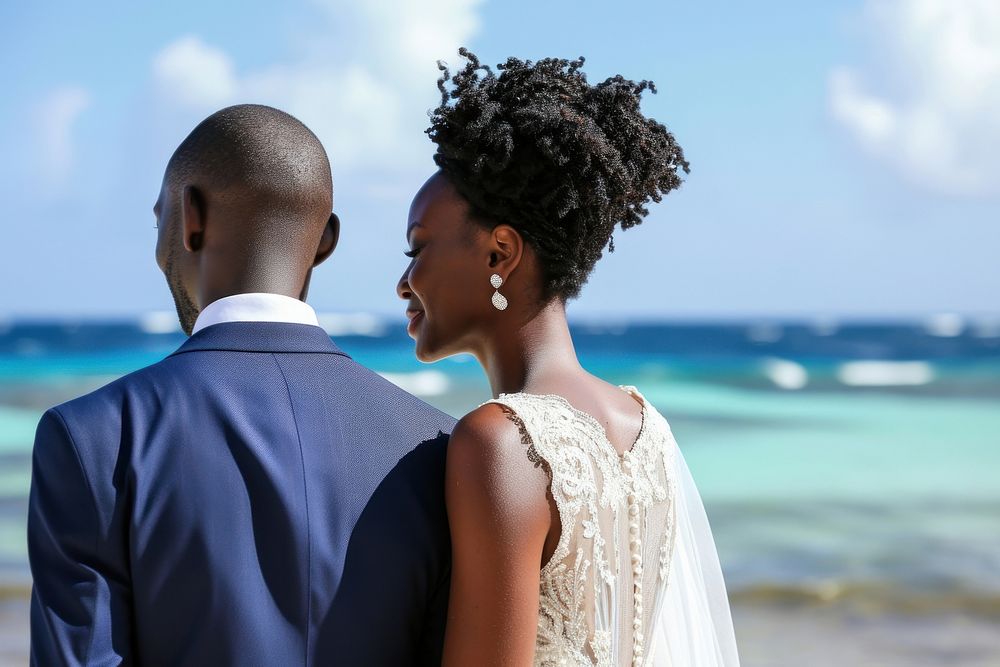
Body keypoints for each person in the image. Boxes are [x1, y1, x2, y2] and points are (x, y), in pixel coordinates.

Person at [28, 104, 456, 665]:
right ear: (326, 240)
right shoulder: (440, 445)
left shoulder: (92, 437)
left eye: (159, 217)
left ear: (190, 217)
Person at [397, 50, 740, 666]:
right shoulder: (647, 428)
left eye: (417, 249)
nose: (403, 282)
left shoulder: (502, 443)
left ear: (500, 253)